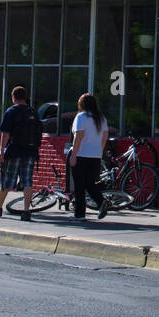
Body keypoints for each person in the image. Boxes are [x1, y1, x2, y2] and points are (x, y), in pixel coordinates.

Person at [0, 85, 43, 221]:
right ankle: (26, 211)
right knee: (27, 181)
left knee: (7, 180)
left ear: (14, 97)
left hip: (14, 151)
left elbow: (5, 134)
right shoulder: (33, 112)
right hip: (30, 151)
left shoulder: (11, 111)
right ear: (25, 97)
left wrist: (1, 151)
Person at [69, 93, 110, 222]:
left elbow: (78, 137)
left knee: (79, 186)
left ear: (82, 104)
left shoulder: (81, 117)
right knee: (90, 183)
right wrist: (99, 150)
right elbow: (104, 137)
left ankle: (80, 214)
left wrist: (73, 155)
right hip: (95, 156)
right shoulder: (101, 118)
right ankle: (101, 202)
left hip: (81, 154)